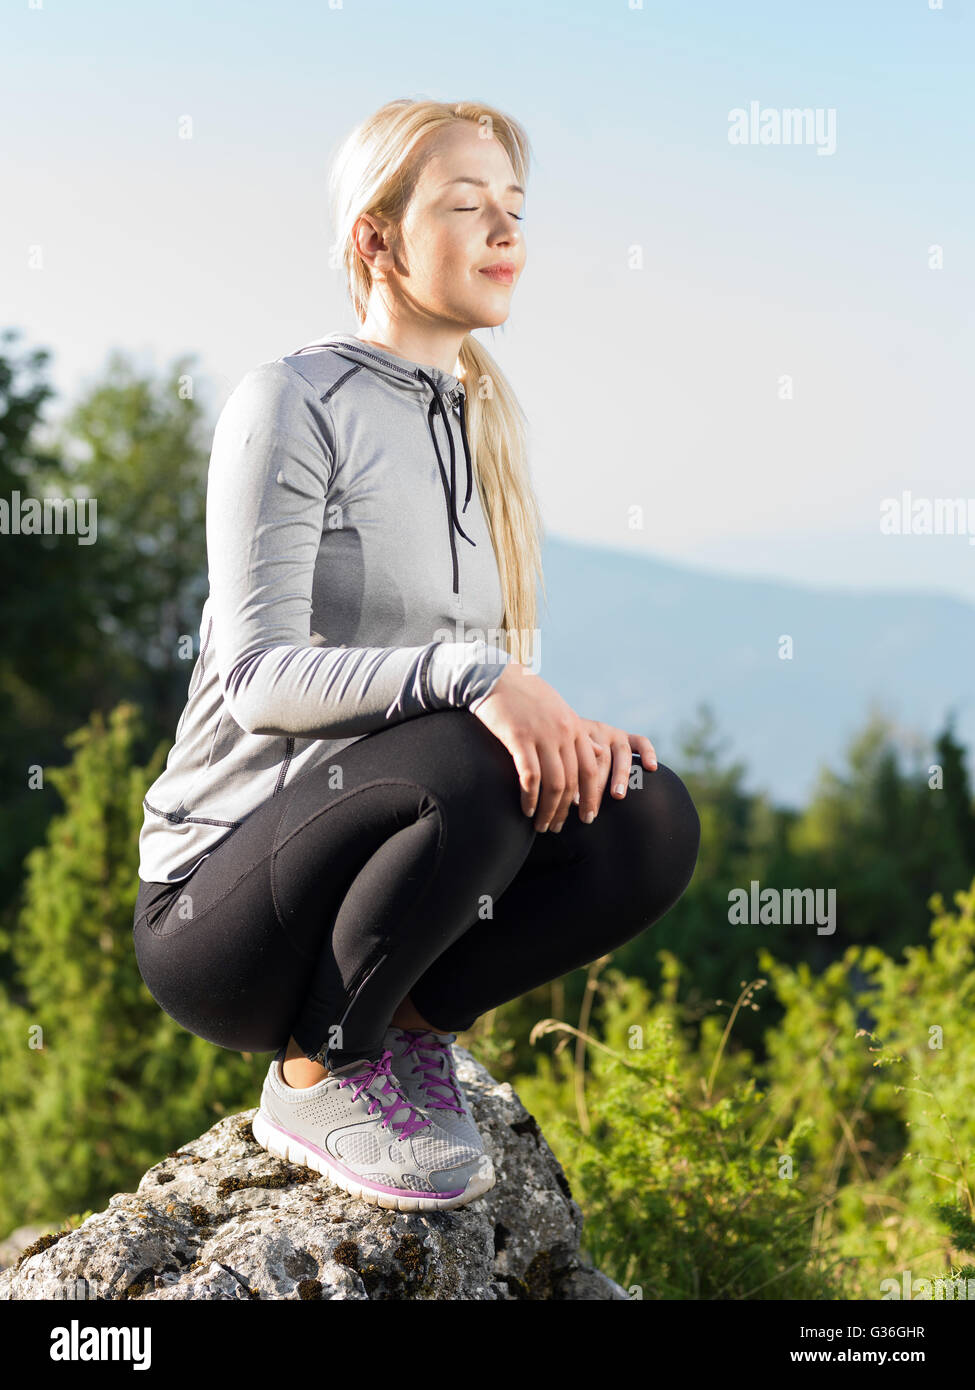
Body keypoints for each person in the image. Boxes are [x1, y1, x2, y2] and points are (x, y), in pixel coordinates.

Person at [131, 97, 701, 1214]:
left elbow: (472, 701)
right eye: (466, 204)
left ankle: (403, 1033)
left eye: (515, 210)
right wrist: (483, 680)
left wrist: (568, 738)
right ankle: (315, 1070)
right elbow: (256, 678)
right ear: (376, 239)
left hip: (389, 878)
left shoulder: (482, 423)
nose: (506, 233)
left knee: (646, 816)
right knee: (477, 756)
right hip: (222, 914)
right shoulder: (292, 400)